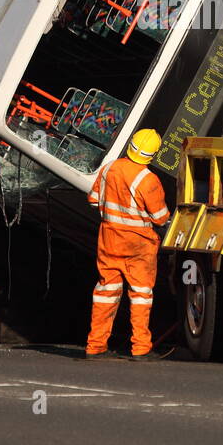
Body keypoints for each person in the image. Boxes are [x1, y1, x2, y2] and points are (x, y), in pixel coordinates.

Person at [84, 129, 170, 360]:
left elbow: (93, 200)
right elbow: (160, 218)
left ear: (131, 146)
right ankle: (141, 347)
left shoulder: (109, 168)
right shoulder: (148, 180)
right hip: (138, 245)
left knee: (106, 291)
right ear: (152, 155)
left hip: (109, 238)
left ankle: (95, 345)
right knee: (141, 293)